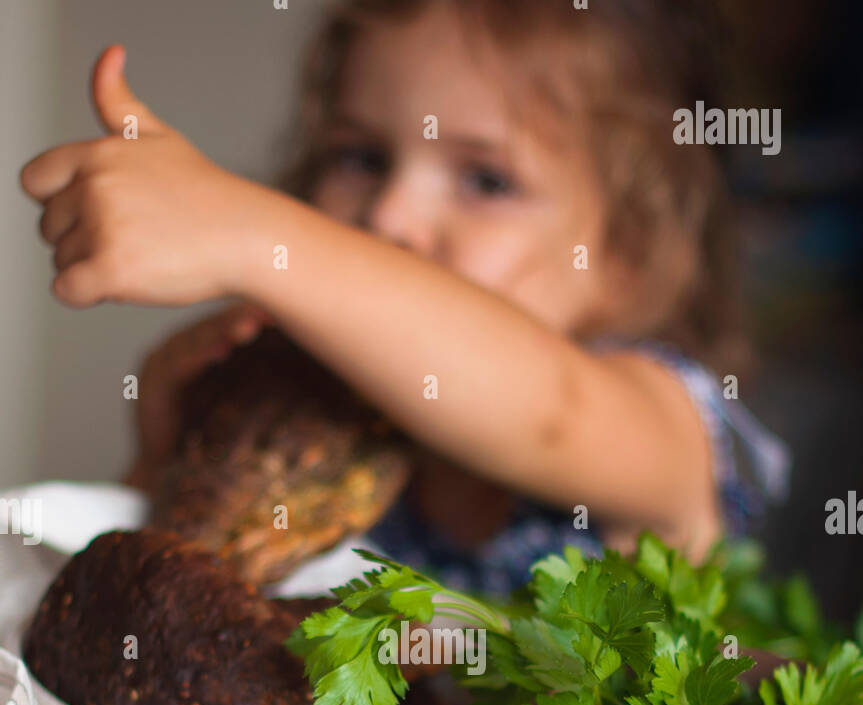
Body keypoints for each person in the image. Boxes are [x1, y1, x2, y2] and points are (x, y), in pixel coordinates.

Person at [20, 0, 788, 595]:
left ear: (626, 251)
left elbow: (549, 410)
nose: (390, 217)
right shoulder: (324, 436)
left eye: (486, 180)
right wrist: (166, 455)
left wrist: (248, 233)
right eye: (360, 156)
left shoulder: (666, 425)